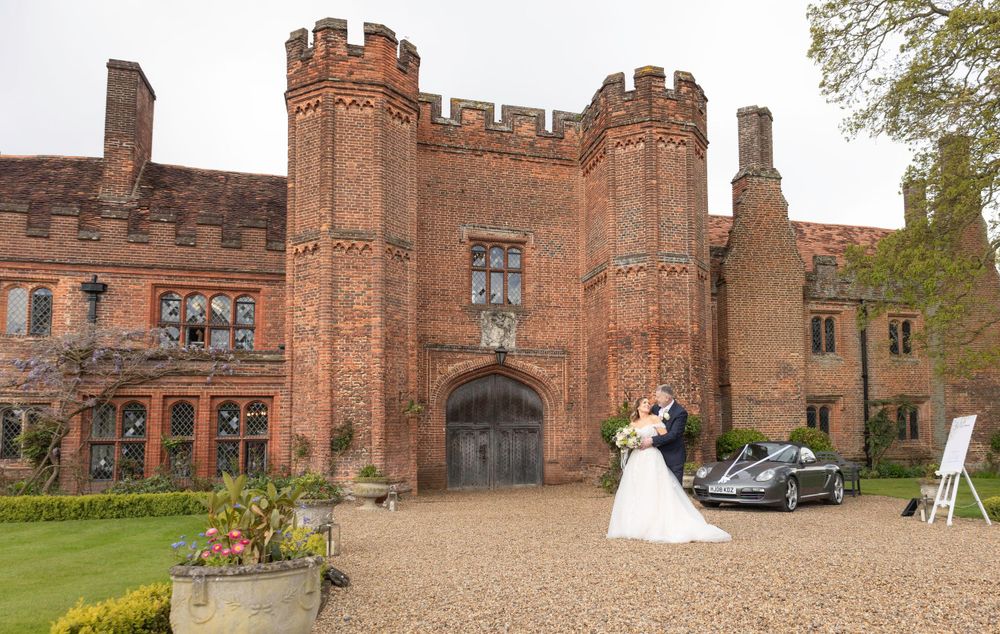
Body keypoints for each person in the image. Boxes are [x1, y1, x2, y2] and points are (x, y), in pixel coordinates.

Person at [607, 395, 731, 543]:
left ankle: (654, 523)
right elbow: (630, 438)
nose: (648, 404)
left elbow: (664, 436)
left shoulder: (654, 419)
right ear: (638, 407)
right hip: (636, 459)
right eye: (644, 402)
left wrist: (651, 442)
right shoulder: (633, 423)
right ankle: (634, 524)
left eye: (648, 402)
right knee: (637, 488)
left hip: (652, 457)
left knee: (654, 488)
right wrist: (629, 442)